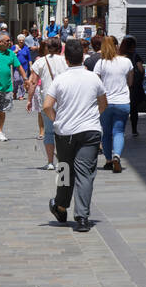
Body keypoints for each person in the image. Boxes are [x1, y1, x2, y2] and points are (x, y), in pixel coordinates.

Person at [43, 39, 108, 232]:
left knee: (64, 170)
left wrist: (56, 120)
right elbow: (103, 103)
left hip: (65, 132)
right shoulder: (93, 78)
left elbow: (47, 105)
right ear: (83, 57)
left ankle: (61, 205)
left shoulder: (60, 79)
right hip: (90, 131)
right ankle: (82, 217)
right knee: (85, 174)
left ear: (66, 59)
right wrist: (93, 117)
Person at [93, 35, 134, 172]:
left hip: (105, 103)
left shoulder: (100, 64)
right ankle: (117, 156)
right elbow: (130, 82)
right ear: (116, 46)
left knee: (106, 133)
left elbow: (96, 85)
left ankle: (108, 160)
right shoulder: (126, 62)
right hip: (122, 102)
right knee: (119, 132)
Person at [27, 37, 67, 166]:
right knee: (64, 131)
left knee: (49, 132)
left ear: (47, 48)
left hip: (47, 101)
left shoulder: (40, 62)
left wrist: (29, 100)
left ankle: (50, 162)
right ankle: (64, 160)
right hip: (64, 101)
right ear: (60, 47)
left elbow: (33, 82)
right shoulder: (66, 61)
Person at [120, 36, 146, 135]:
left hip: (121, 85)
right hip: (133, 87)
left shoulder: (119, 56)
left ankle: (120, 129)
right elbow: (141, 70)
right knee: (134, 109)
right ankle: (134, 130)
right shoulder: (135, 56)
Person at [14, 32, 33, 97]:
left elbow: (29, 58)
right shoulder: (14, 47)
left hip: (24, 67)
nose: (21, 41)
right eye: (20, 40)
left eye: (22, 40)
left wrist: (31, 66)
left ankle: (21, 95)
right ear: (18, 41)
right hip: (16, 67)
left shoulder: (26, 48)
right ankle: (14, 92)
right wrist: (15, 51)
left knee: (22, 81)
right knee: (16, 80)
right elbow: (9, 54)